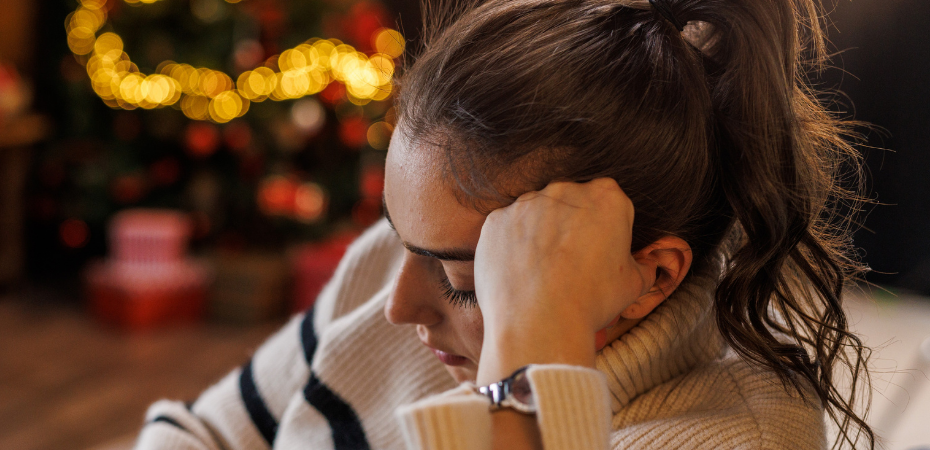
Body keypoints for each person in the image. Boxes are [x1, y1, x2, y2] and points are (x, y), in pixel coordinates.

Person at [134, 0, 875, 448]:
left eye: (467, 281)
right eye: (398, 235)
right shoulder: (402, 262)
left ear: (650, 275)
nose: (397, 304)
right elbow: (204, 432)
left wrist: (532, 360)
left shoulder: (740, 437)